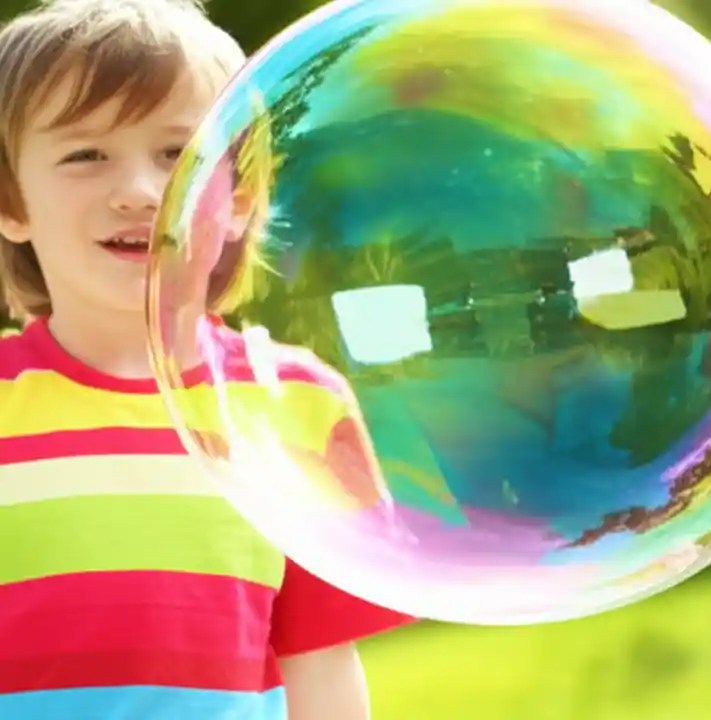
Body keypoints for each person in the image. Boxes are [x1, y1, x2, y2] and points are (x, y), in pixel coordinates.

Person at [0, 1, 416, 718]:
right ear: (11, 203)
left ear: (240, 196)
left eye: (177, 154)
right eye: (85, 155)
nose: (138, 191)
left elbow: (322, 670)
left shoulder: (298, 408)